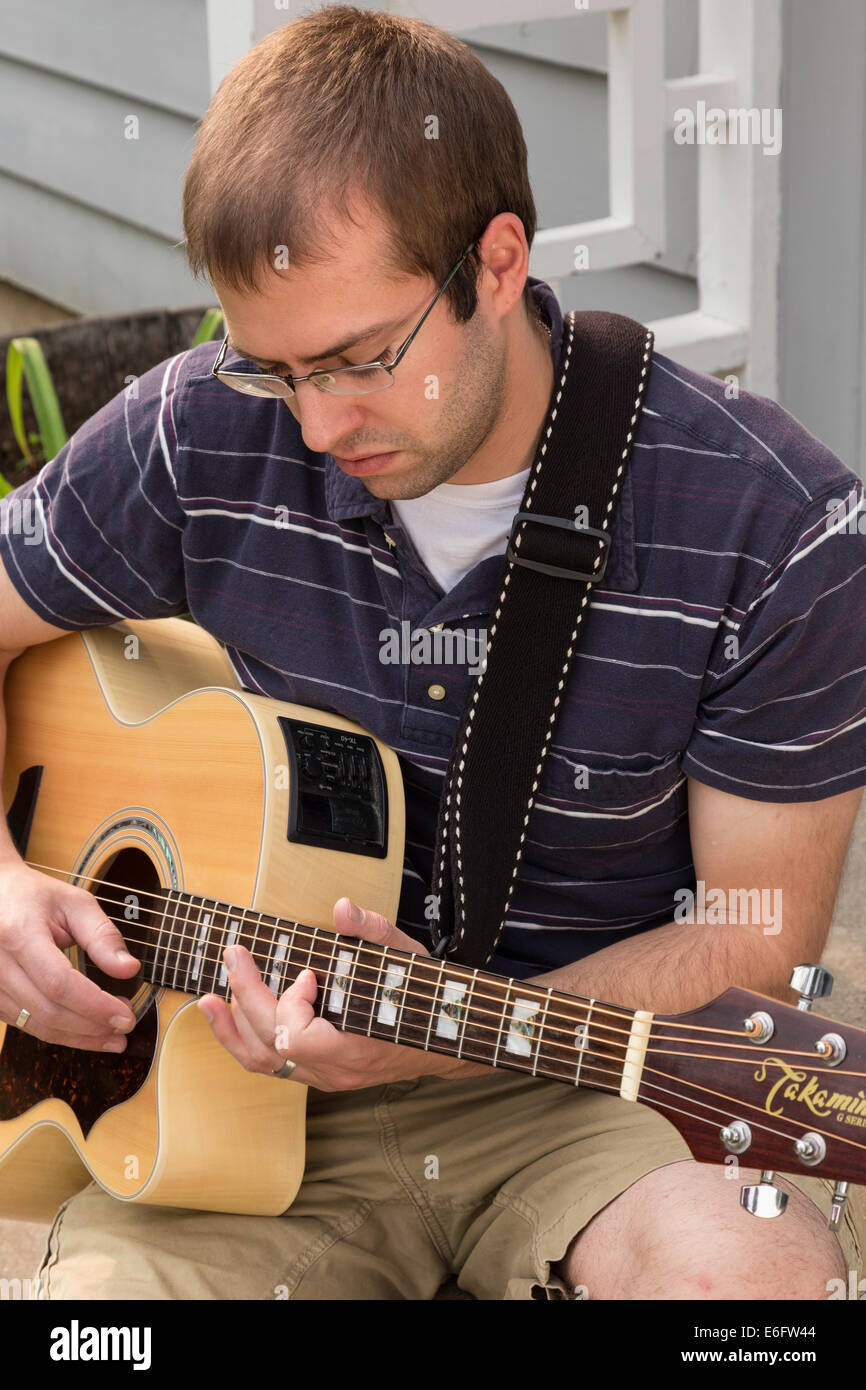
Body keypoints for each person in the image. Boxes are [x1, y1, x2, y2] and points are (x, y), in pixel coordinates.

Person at [1, 6, 864, 1301]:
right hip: (228, 1109)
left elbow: (750, 946)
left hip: (580, 1083)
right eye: (273, 366)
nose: (316, 421)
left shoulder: (767, 524)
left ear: (498, 261)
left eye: (359, 358)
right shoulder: (202, 429)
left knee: (746, 1294)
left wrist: (422, 1043)